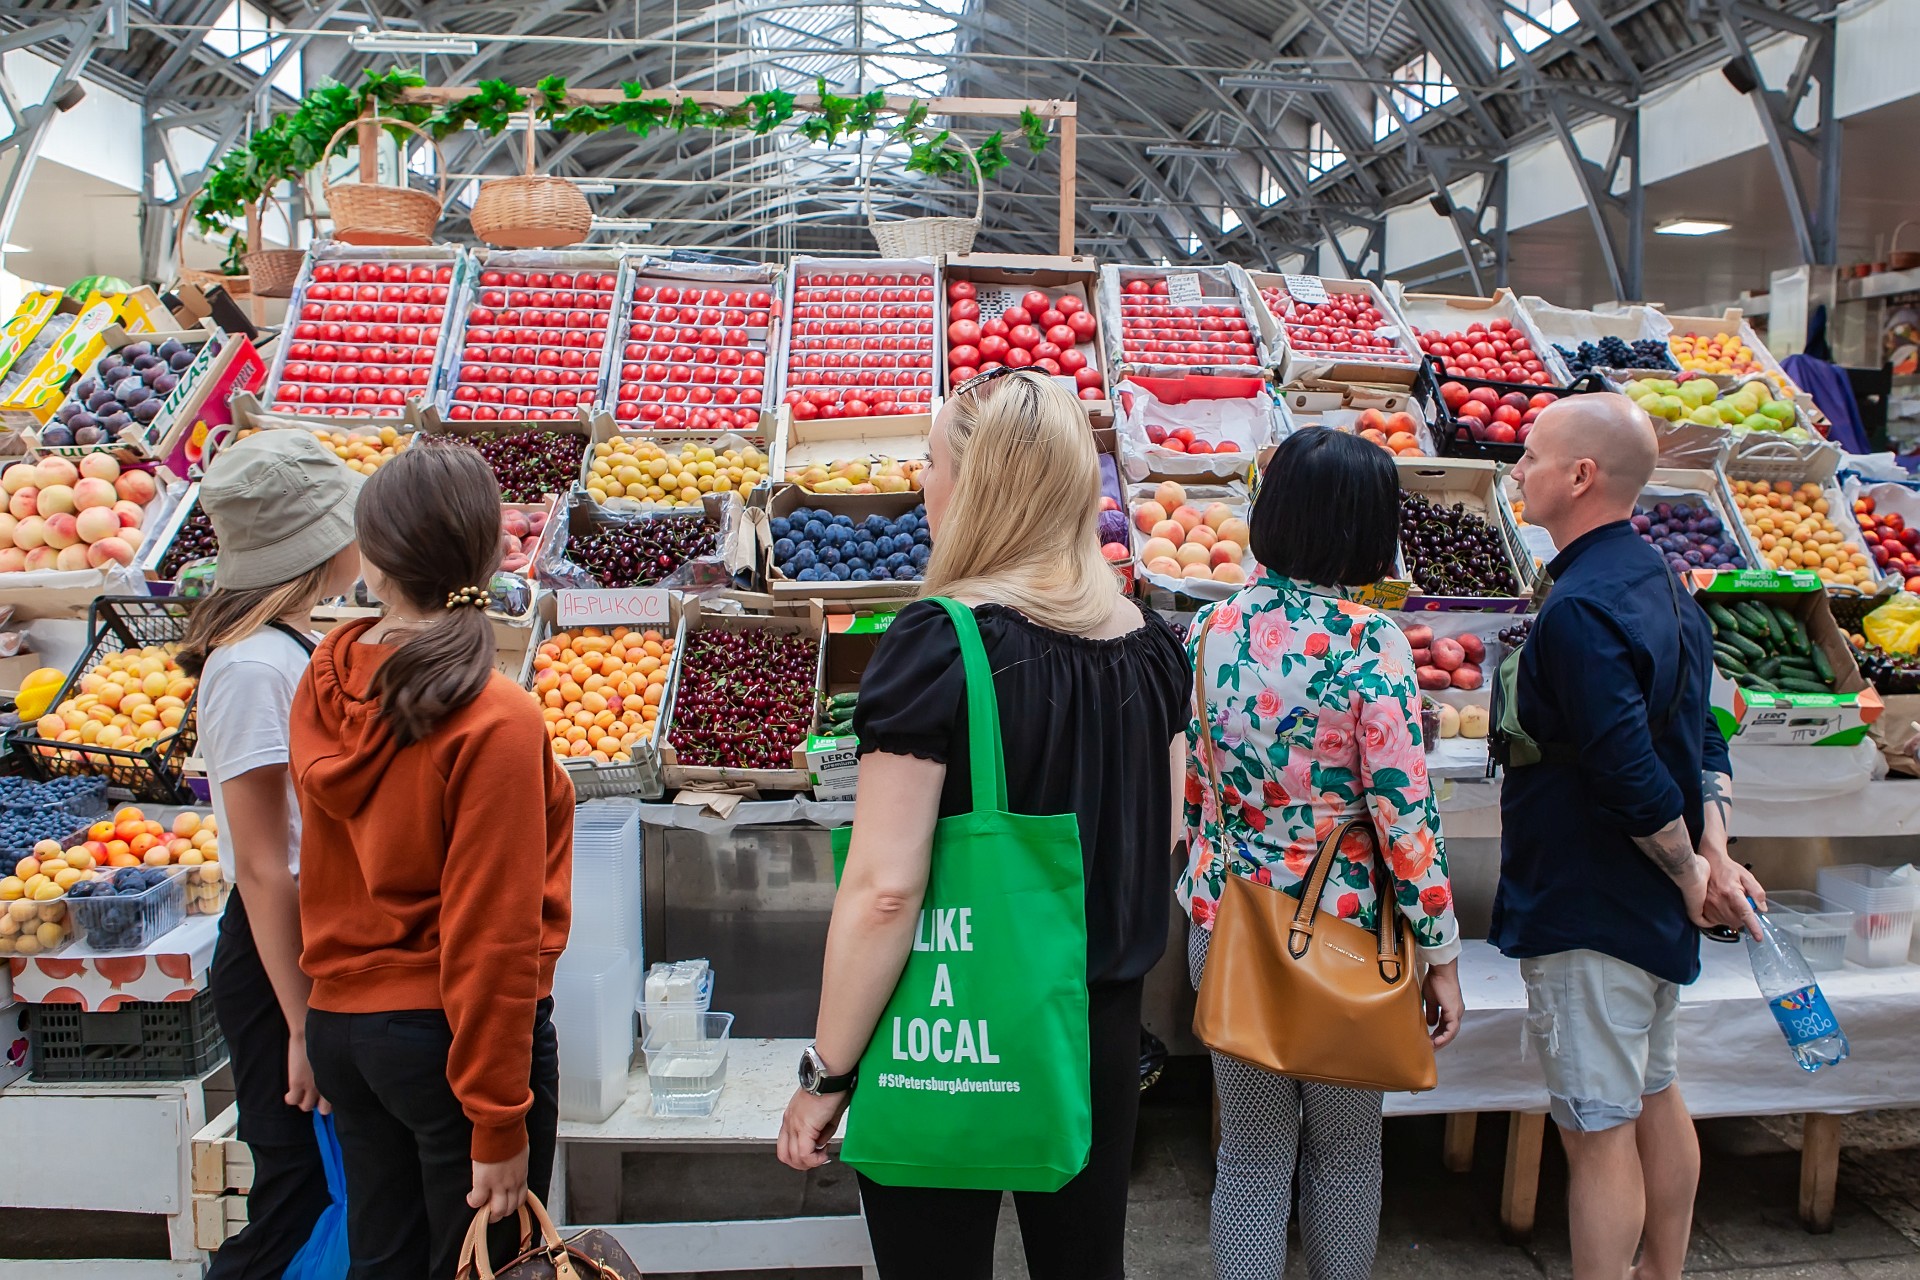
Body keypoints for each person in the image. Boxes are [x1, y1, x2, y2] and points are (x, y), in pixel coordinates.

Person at [774, 368, 1191, 1280]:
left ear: (978, 486)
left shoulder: (938, 646)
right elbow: (1164, 831)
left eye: (931, 463)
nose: (924, 483)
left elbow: (885, 891)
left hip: (950, 1021)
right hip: (1092, 1033)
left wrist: (827, 1076)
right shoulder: (1152, 643)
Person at [1179, 426, 1464, 1280]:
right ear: (1365, 530)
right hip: (1348, 941)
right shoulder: (1371, 643)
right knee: (1345, 1155)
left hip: (1227, 927)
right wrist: (1441, 953)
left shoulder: (1206, 630)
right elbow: (1404, 817)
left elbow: (1198, 789)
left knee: (1250, 1160)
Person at [292, 444, 574, 1280]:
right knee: (488, 1265)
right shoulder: (495, 716)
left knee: (384, 1261)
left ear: (372, 564)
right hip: (449, 1042)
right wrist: (498, 1120)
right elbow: (491, 934)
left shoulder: (330, 676)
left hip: (345, 1025)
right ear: (492, 556)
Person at [1500, 393, 1765, 1280]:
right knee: (1655, 1092)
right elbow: (1707, 733)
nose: (1518, 471)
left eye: (1531, 456)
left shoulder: (1579, 608)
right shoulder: (1663, 585)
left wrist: (1695, 867)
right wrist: (1712, 854)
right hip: (1648, 903)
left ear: (1581, 476)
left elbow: (1625, 769)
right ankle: (1664, 1272)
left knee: (1595, 1132)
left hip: (1590, 902)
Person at [180, 432, 364, 1279]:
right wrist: (303, 1026)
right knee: (297, 1195)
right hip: (274, 954)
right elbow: (261, 866)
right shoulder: (254, 667)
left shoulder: (287, 646)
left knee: (314, 1188)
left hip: (300, 942)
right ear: (322, 545)